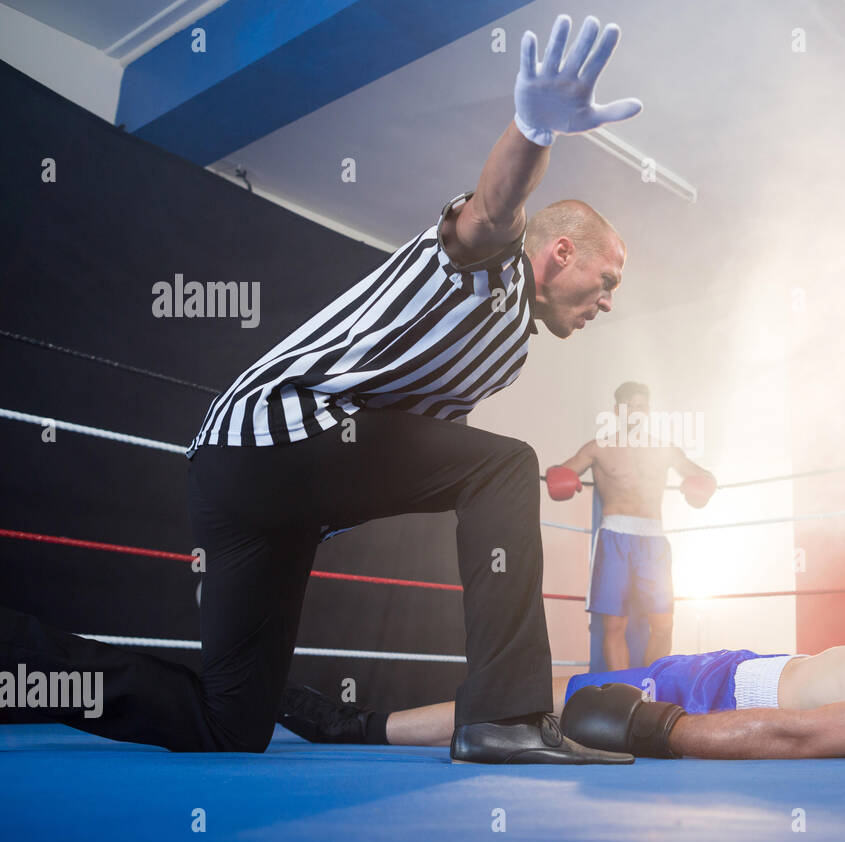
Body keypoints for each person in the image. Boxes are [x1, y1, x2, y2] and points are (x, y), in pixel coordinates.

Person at [0, 14, 644, 765]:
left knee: (229, 727)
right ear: (561, 253)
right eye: (607, 280)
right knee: (503, 466)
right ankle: (506, 715)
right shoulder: (494, 276)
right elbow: (490, 215)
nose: (607, 302)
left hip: (241, 477)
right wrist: (534, 129)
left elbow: (410, 438)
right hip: (277, 436)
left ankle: (18, 659)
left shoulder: (505, 352)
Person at [280, 626, 845, 758]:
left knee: (547, 694)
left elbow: (803, 736)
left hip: (724, 689)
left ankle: (355, 730)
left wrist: (662, 728)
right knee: (547, 684)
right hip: (741, 662)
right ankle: (362, 722)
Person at [544, 382, 716, 669]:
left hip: (654, 540)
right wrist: (563, 479)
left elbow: (703, 476)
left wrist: (702, 483)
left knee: (663, 624)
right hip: (615, 537)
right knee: (614, 626)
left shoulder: (664, 449)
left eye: (642, 407)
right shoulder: (598, 448)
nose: (638, 413)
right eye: (631, 407)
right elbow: (560, 474)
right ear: (617, 411)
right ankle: (623, 696)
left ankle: (651, 689)